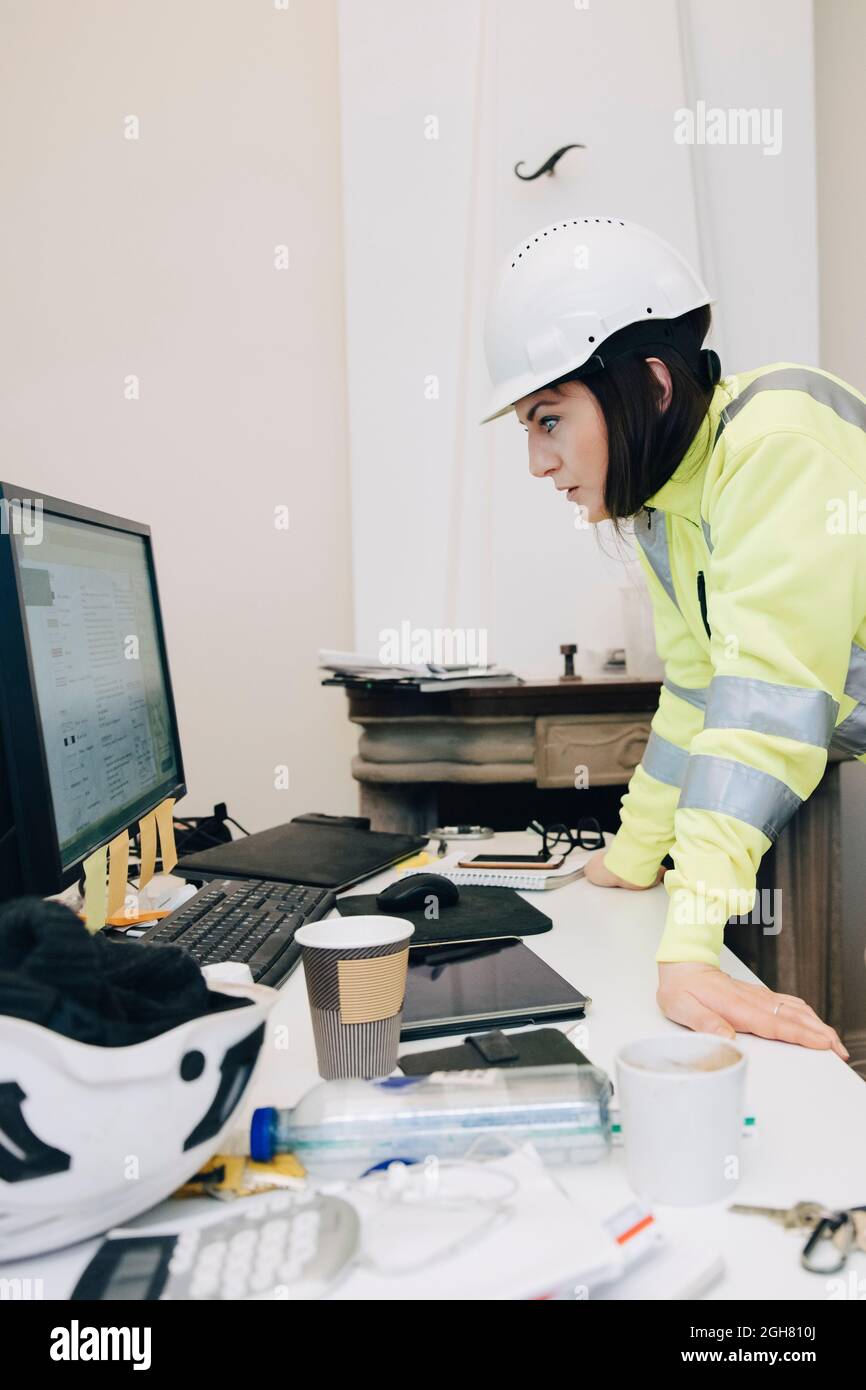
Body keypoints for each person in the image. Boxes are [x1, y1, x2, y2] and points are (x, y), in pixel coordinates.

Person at [481, 217, 866, 1059]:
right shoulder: (666, 509)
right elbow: (695, 693)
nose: (539, 464)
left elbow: (766, 707)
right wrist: (634, 850)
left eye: (550, 420)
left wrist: (691, 947)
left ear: (652, 385)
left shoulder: (776, 446)